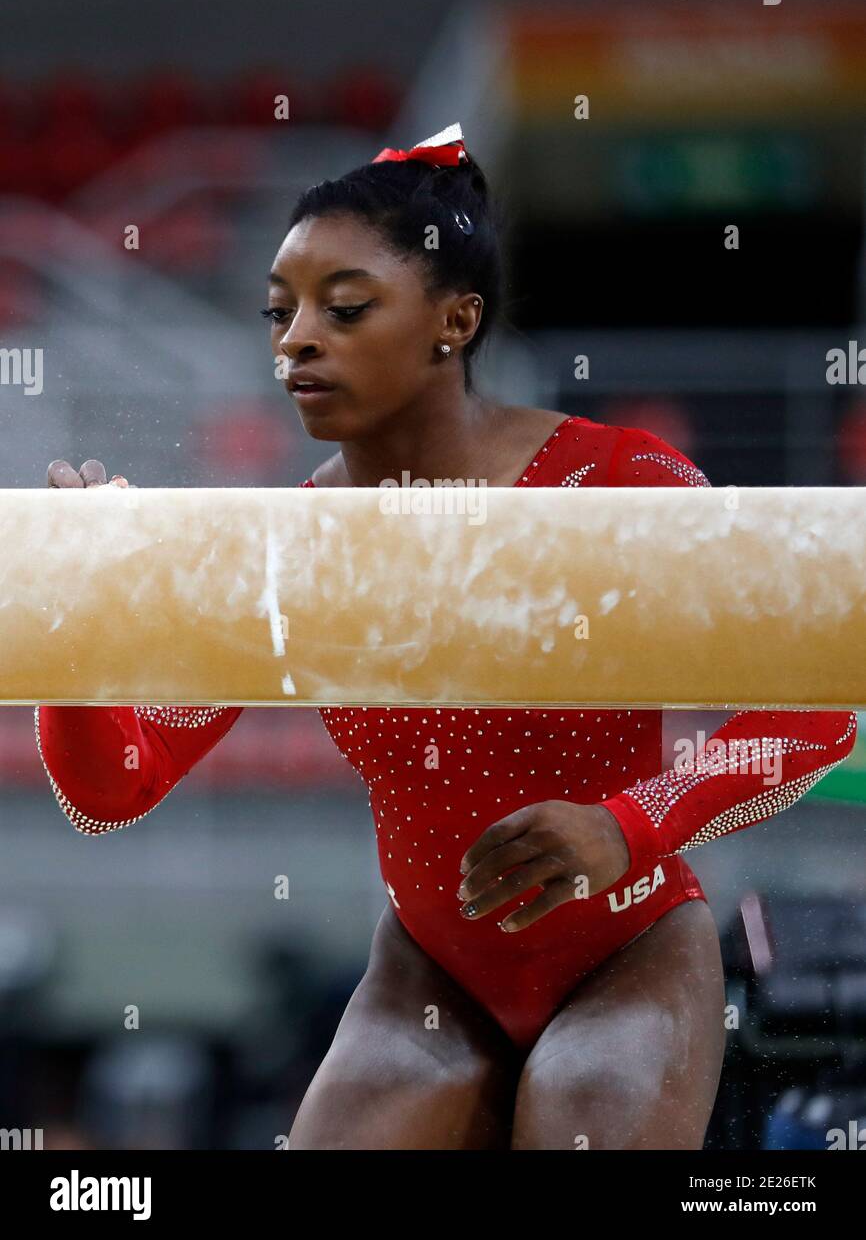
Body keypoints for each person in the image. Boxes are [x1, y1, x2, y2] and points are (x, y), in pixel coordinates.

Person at [37, 124, 857, 1150]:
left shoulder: (612, 486)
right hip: (426, 972)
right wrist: (68, 632)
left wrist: (626, 825)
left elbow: (819, 715)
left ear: (452, 323)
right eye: (279, 312)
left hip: (625, 950)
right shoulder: (290, 548)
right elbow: (115, 791)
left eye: (342, 309)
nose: (295, 340)